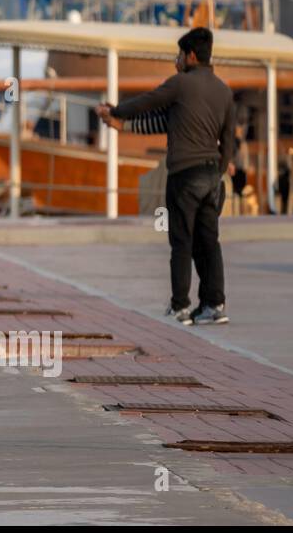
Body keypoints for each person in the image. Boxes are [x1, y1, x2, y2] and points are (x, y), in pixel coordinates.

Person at [98, 27, 235, 325]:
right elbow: (225, 140)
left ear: (191, 56)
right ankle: (215, 305)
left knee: (182, 242)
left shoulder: (181, 84)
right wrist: (218, 174)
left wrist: (117, 110)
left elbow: (148, 101)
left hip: (185, 175)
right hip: (212, 176)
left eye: (179, 55)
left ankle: (180, 306)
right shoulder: (224, 92)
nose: (176, 60)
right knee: (210, 242)